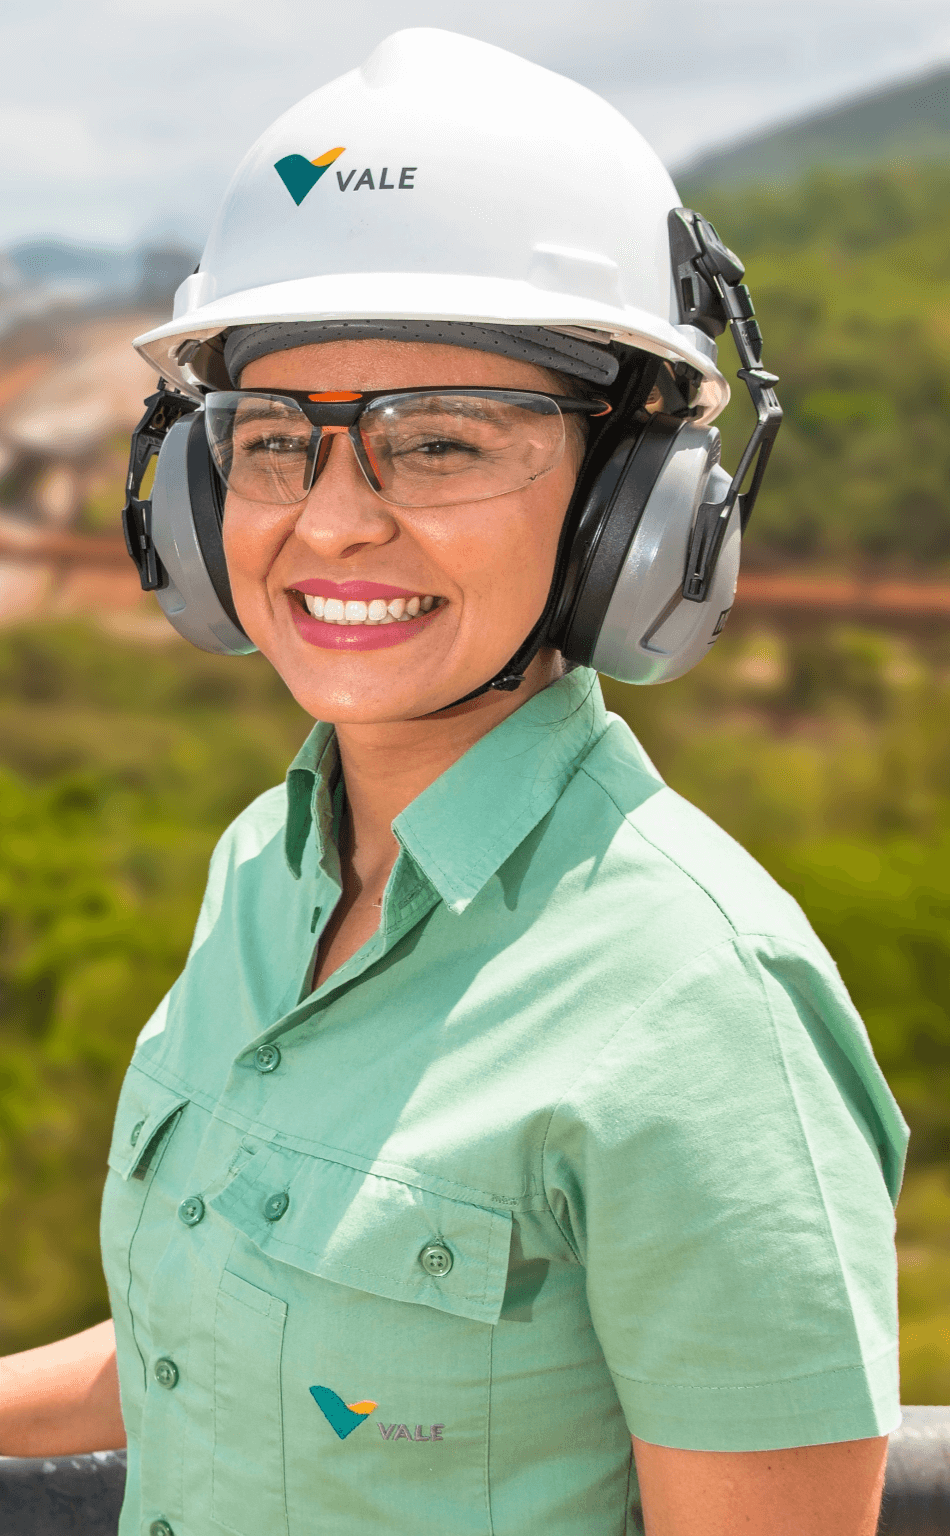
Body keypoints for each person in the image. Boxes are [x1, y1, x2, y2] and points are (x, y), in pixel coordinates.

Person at [0, 28, 906, 1536]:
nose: (334, 522)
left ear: (632, 508)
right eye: (278, 441)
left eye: (438, 444)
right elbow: (219, 1338)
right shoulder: (261, 877)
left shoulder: (699, 1009)